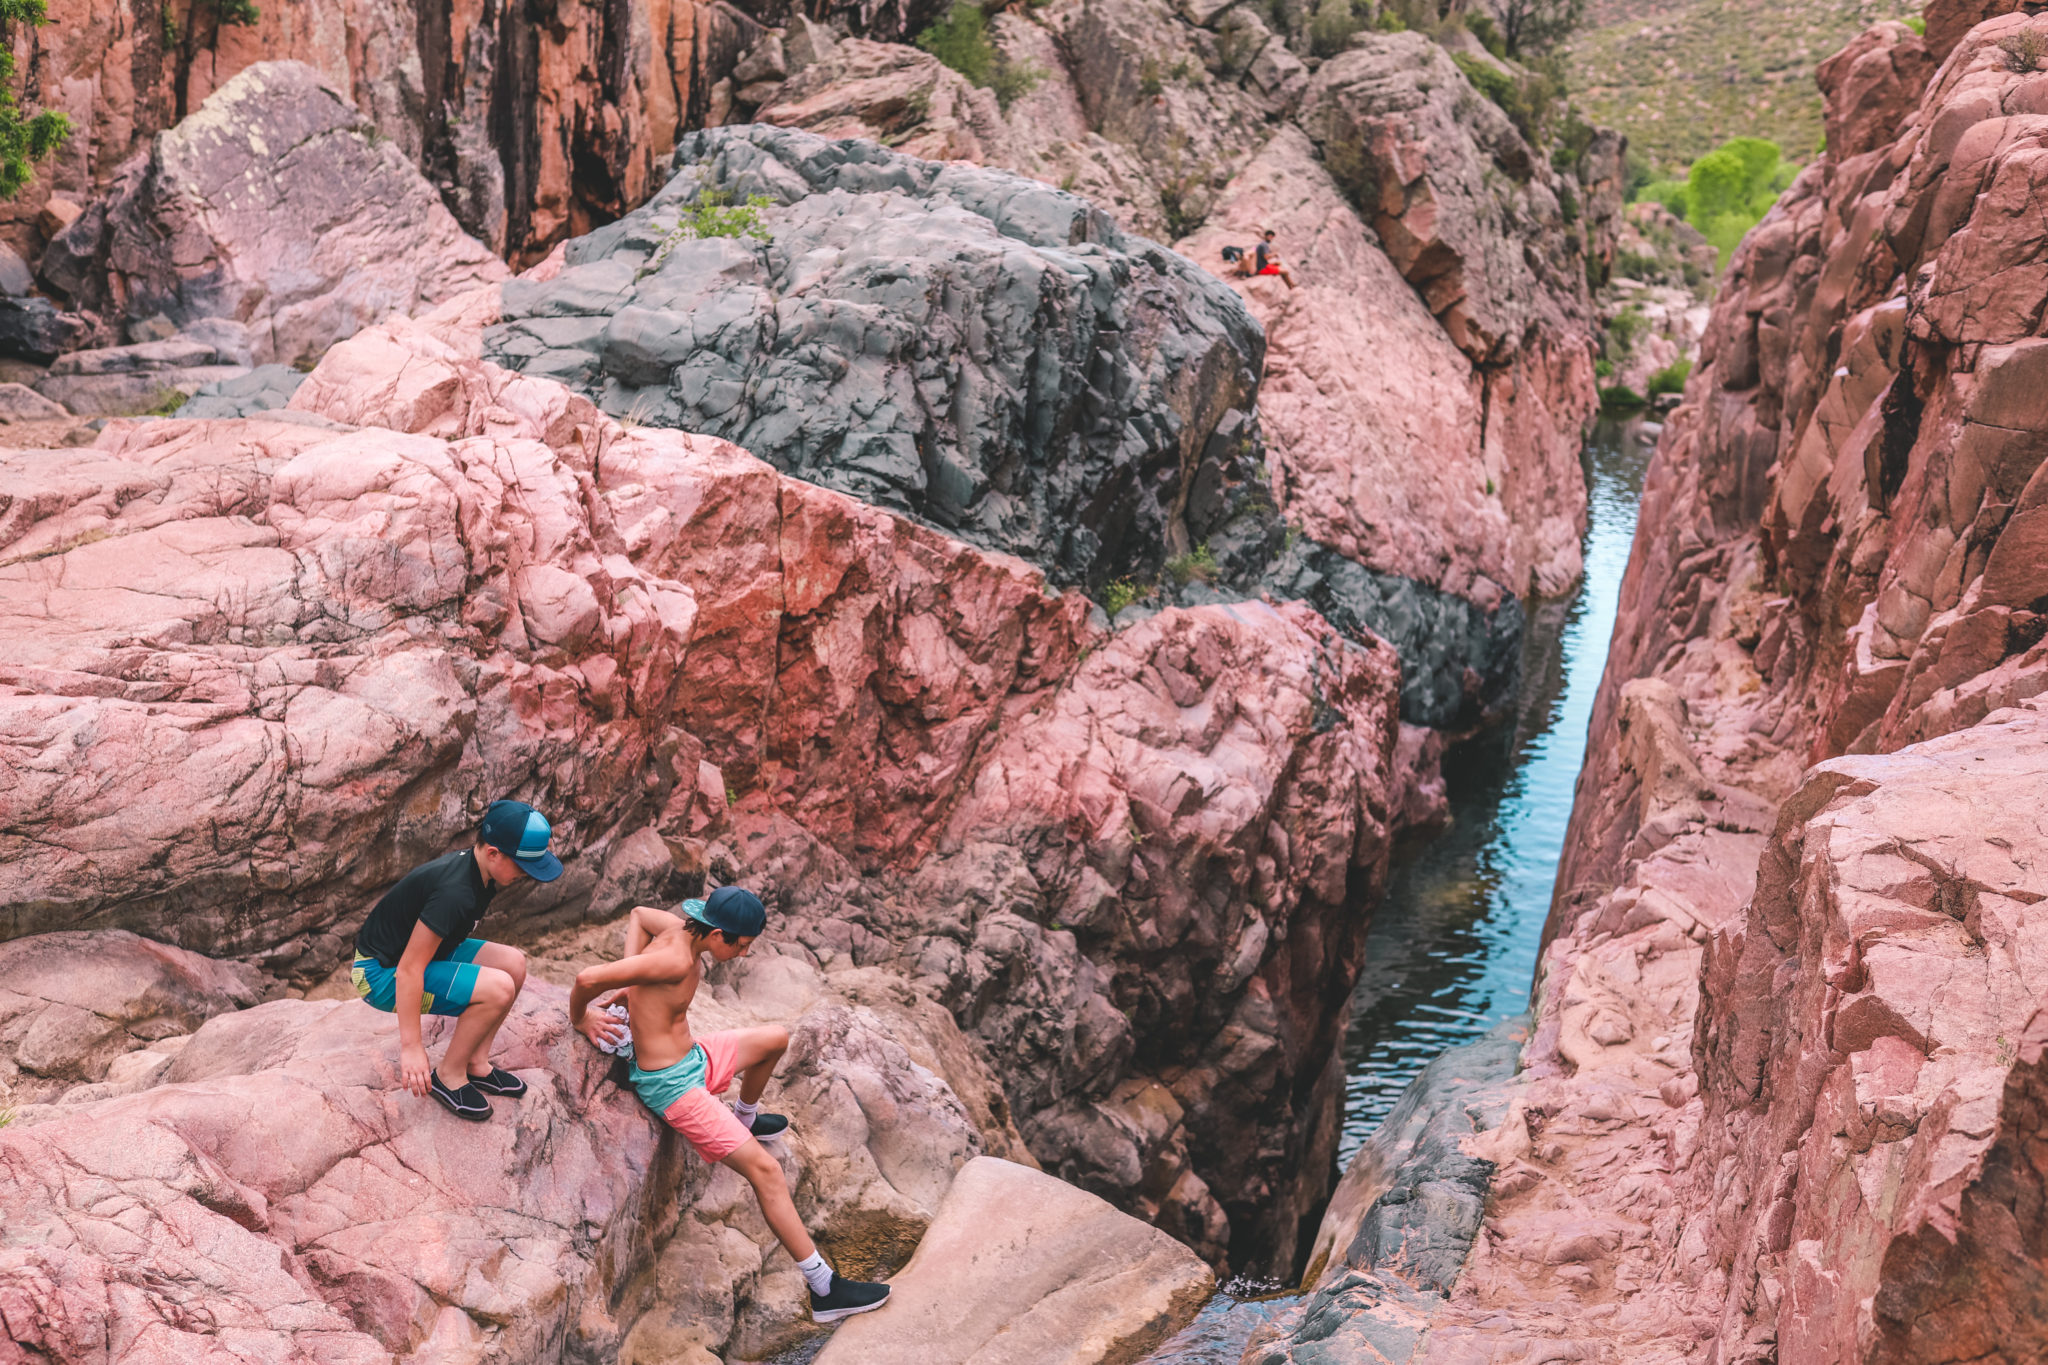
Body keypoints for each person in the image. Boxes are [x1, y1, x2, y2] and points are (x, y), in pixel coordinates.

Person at [568, 888, 893, 1325]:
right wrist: (582, 1018)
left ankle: (745, 1119)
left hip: (693, 1059)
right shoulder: (675, 960)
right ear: (717, 934)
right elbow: (586, 978)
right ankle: (825, 1290)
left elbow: (639, 913)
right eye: (741, 945)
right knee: (767, 1171)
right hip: (672, 1087)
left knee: (775, 1038)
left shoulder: (679, 929)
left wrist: (632, 984)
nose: (743, 954)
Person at [350, 799, 559, 1120]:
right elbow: (409, 969)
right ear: (494, 853)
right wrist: (412, 1046)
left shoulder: (481, 871)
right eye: (523, 867)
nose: (526, 875)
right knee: (499, 988)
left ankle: (476, 1063)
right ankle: (448, 1076)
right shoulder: (455, 892)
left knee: (514, 963)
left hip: (424, 953)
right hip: (380, 975)